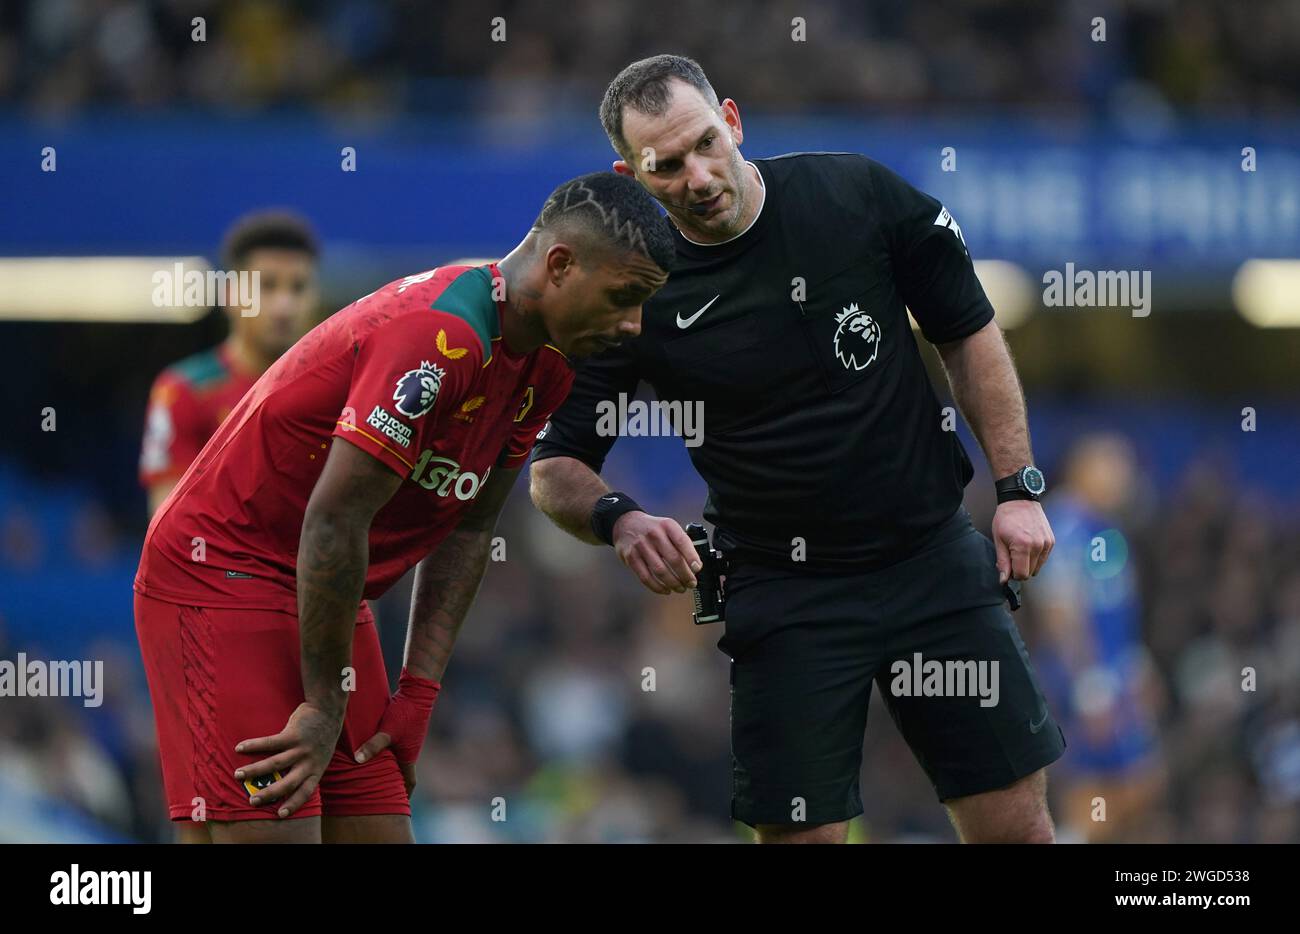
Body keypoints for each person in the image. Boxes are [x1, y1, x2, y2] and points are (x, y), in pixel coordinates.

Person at [530, 55, 1065, 843]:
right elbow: (554, 466)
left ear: (734, 120)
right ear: (632, 174)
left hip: (931, 562)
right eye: (667, 166)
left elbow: (966, 328)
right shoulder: (634, 289)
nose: (700, 175)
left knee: (1015, 830)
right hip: (785, 592)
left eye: (708, 143)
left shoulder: (854, 194)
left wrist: (1017, 488)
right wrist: (617, 519)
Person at [132, 172, 673, 843]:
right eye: (626, 297)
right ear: (560, 264)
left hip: (328, 589)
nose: (632, 325)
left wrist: (417, 693)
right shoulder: (439, 338)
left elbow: (470, 524)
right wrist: (327, 702)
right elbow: (336, 518)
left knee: (380, 829)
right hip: (221, 578)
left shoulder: (549, 366)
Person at [140, 211, 321, 516]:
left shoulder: (335, 391)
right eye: (267, 286)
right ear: (231, 294)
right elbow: (168, 524)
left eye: (298, 288)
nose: (284, 305)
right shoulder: (183, 390)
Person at [1035, 434, 1164, 842]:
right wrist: (1089, 685)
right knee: (1095, 787)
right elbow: (1059, 613)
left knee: (1140, 783)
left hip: (1115, 673)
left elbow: (1117, 609)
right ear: (1083, 470)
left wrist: (1137, 665)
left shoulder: (1107, 529)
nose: (1124, 477)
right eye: (1114, 466)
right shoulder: (1063, 524)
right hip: (1085, 677)